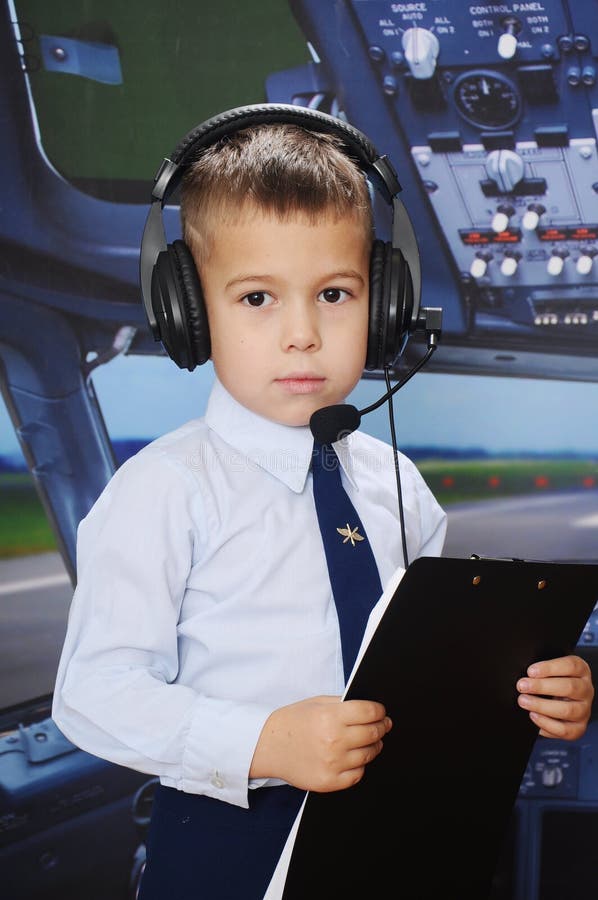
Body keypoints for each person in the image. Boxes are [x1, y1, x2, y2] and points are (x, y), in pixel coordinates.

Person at [52, 111, 594, 899]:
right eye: (257, 298)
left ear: (383, 305)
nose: (303, 333)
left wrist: (541, 688)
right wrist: (261, 741)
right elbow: (93, 694)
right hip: (226, 857)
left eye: (335, 293)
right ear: (188, 311)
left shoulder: (397, 484)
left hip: (396, 843)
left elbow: (437, 668)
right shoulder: (165, 488)